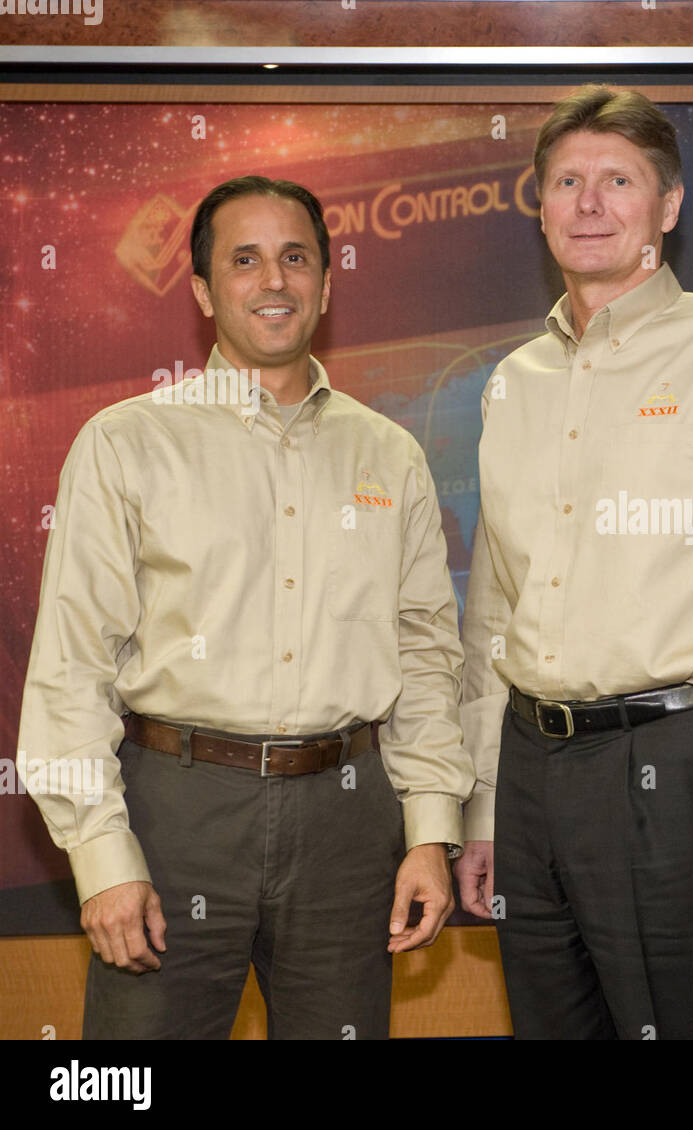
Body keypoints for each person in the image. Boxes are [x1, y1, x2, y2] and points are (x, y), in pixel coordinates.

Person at [17, 175, 474, 1039]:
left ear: (328, 282)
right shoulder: (127, 445)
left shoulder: (392, 456)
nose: (275, 281)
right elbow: (71, 672)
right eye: (245, 260)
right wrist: (104, 859)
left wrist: (430, 830)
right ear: (201, 291)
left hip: (348, 821)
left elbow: (425, 656)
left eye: (295, 257)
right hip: (172, 813)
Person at [453, 85, 693, 1039]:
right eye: (567, 182)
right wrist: (484, 808)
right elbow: (493, 612)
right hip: (532, 772)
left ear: (666, 207)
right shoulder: (513, 382)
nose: (589, 203)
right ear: (538, 207)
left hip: (679, 766)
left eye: (617, 181)